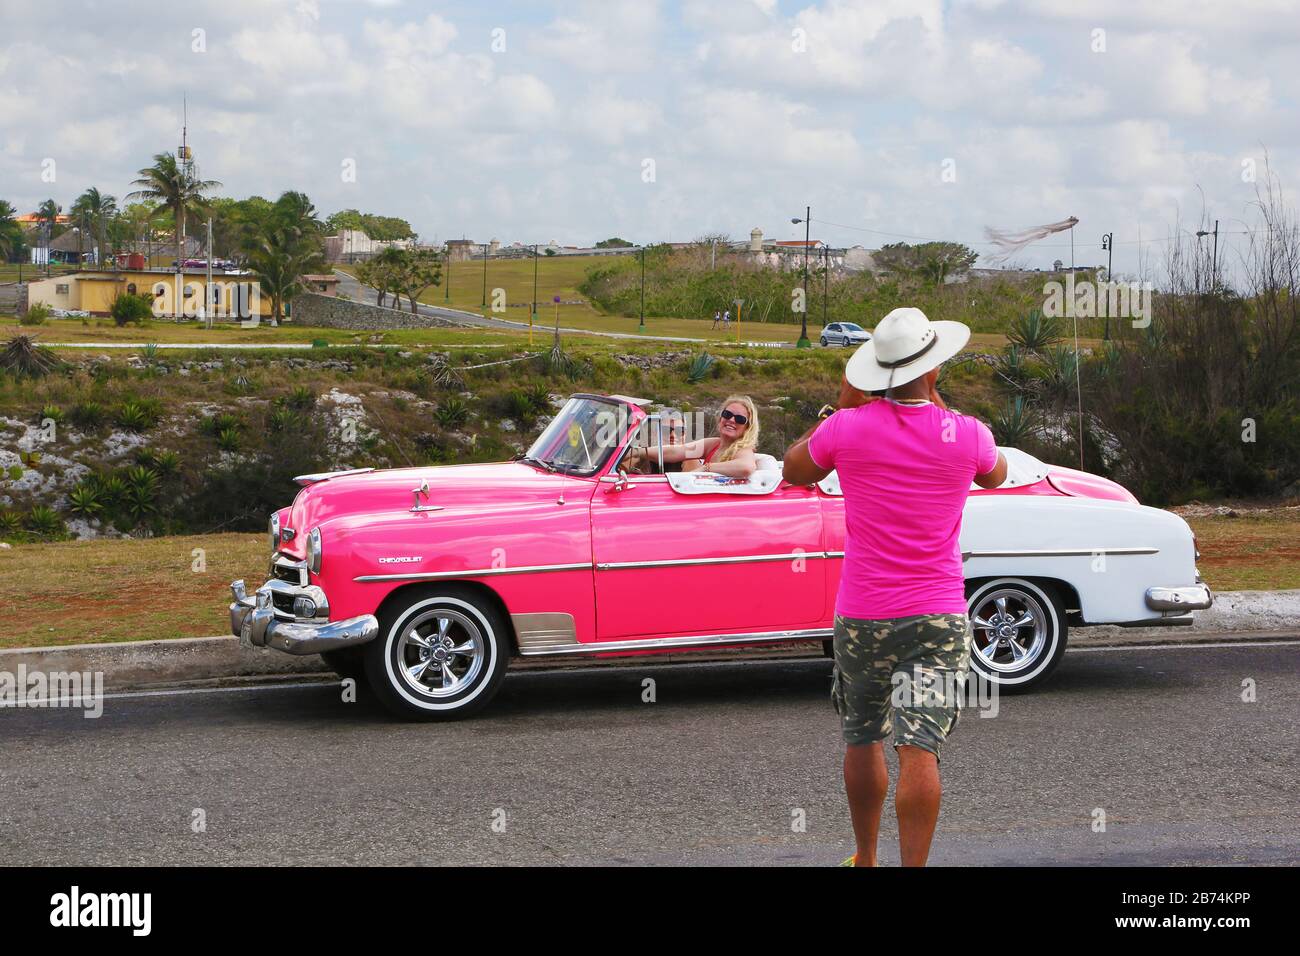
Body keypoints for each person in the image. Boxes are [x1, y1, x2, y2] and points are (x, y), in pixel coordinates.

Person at [782, 307, 1008, 867]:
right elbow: (995, 472)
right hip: (936, 613)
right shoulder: (968, 434)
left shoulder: (846, 428)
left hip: (863, 613)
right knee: (919, 748)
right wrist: (941, 412)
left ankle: (865, 857)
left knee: (862, 737)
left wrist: (841, 407)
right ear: (935, 369)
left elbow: (791, 468)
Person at [626, 395, 759, 478]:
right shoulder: (714, 444)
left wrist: (706, 468)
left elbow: (746, 467)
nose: (731, 420)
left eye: (740, 419)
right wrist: (636, 452)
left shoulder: (743, 449)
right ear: (721, 417)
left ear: (748, 427)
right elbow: (677, 451)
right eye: (727, 414)